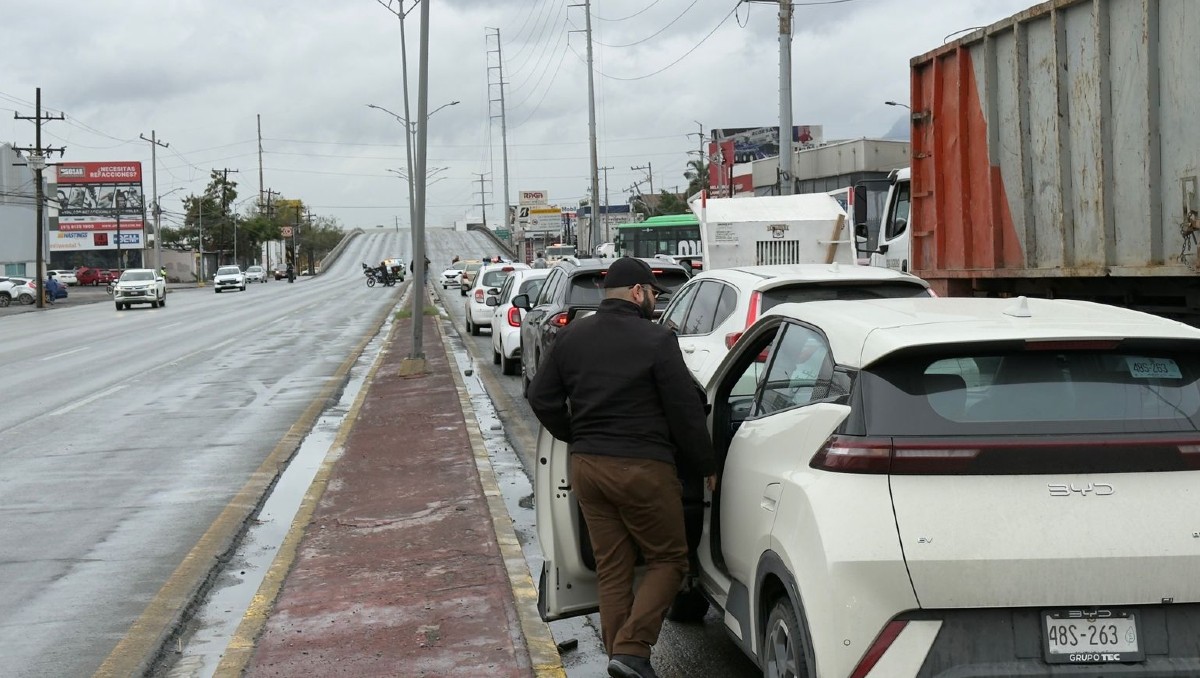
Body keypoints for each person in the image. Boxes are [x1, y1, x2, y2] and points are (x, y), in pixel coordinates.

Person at [527, 257, 717, 678]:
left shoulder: (572, 336)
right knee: (669, 561)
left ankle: (622, 661)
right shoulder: (656, 339)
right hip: (642, 469)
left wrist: (577, 435)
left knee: (613, 569)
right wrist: (705, 462)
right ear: (637, 292)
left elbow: (541, 398)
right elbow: (686, 410)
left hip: (588, 470)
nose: (654, 301)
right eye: (652, 293)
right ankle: (632, 649)